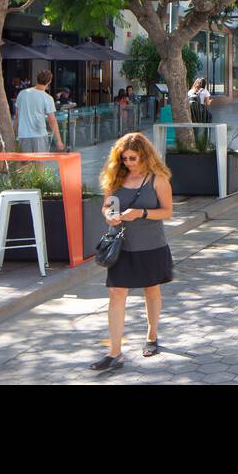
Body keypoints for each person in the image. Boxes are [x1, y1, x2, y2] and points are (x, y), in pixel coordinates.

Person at [91, 132, 174, 372]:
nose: (128, 162)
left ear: (145, 155)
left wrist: (141, 213)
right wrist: (109, 215)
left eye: (133, 158)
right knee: (116, 293)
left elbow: (167, 211)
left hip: (151, 245)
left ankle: (152, 335)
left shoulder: (157, 179)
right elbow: (106, 206)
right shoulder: (115, 178)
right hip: (120, 245)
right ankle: (114, 353)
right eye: (124, 158)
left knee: (151, 289)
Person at [15, 69, 64, 152]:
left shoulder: (22, 93)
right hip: (39, 134)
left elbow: (17, 117)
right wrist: (58, 140)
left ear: (36, 79)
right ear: (49, 81)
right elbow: (52, 121)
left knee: (26, 164)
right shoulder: (47, 98)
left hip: (23, 135)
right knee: (39, 163)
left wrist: (14, 134)